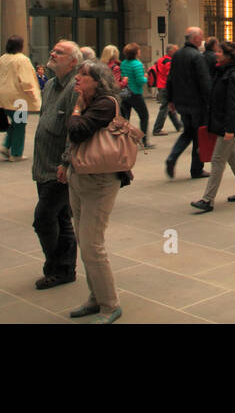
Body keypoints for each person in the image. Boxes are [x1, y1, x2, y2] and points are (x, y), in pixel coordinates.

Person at [59, 59, 127, 323]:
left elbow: (77, 131)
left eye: (84, 75)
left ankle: (111, 304)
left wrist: (76, 107)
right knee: (83, 241)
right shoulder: (88, 102)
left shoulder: (106, 103)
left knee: (92, 245)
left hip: (99, 180)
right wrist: (65, 162)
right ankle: (94, 297)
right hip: (79, 175)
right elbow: (72, 140)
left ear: (98, 81)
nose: (78, 79)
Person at [31, 39, 82, 289]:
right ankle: (65, 268)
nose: (52, 53)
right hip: (44, 164)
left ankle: (55, 265)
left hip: (59, 168)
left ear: (73, 62)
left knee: (43, 218)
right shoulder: (50, 85)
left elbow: (73, 132)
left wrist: (66, 162)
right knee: (61, 218)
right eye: (53, 49)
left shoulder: (75, 88)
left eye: (59, 52)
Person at [190, 41, 235, 213]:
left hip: (225, 126)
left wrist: (230, 130)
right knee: (234, 159)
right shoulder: (222, 72)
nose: (216, 54)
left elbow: (234, 106)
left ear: (227, 56)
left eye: (219, 52)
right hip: (220, 123)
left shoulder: (232, 76)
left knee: (218, 161)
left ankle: (207, 199)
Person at [164, 27, 212, 180]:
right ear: (195, 38)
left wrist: (170, 99)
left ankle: (172, 157)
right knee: (198, 135)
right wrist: (210, 101)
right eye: (201, 36)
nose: (202, 39)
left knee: (188, 132)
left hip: (181, 102)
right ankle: (196, 169)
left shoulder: (177, 55)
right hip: (196, 103)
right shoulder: (197, 56)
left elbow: (170, 78)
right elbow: (204, 81)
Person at [0, 35, 41, 161]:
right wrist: (33, 96)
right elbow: (26, 81)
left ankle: (6, 146)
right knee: (20, 124)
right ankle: (16, 153)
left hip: (3, 96)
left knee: (15, 123)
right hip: (18, 98)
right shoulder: (22, 60)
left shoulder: (2, 58)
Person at [118, 42, 151, 148]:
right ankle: (144, 140)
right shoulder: (137, 64)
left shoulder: (123, 63)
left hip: (125, 91)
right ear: (136, 52)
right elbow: (140, 80)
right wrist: (146, 77)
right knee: (144, 116)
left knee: (125, 117)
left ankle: (123, 140)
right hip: (135, 93)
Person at [152, 45, 181, 136]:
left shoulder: (161, 60)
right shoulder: (169, 62)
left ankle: (178, 125)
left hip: (160, 84)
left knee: (168, 107)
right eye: (175, 51)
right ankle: (157, 129)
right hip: (166, 86)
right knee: (165, 107)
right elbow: (171, 75)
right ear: (170, 51)